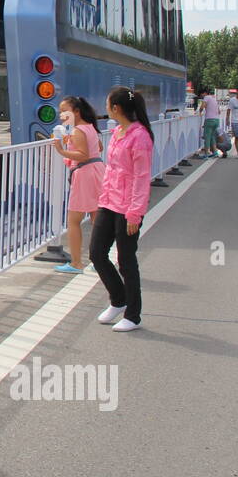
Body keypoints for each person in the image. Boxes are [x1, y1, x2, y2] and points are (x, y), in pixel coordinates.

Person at [89, 86, 154, 332]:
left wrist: (135, 213)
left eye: (107, 104)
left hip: (128, 208)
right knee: (96, 254)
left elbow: (141, 176)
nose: (105, 107)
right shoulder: (117, 132)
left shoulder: (140, 137)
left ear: (115, 108)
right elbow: (113, 169)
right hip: (108, 202)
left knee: (126, 261)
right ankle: (118, 300)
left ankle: (133, 315)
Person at [50, 95, 104, 274]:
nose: (62, 115)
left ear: (76, 112)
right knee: (97, 219)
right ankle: (99, 260)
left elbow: (82, 155)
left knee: (73, 221)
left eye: (65, 111)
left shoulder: (76, 131)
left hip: (84, 174)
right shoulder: (89, 127)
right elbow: (99, 148)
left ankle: (75, 263)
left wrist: (61, 150)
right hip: (98, 171)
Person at [195, 88, 220, 158]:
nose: (201, 97)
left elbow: (202, 106)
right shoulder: (213, 98)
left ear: (204, 93)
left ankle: (206, 154)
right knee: (212, 137)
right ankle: (215, 152)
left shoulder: (206, 98)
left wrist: (199, 112)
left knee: (207, 137)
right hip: (216, 120)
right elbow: (219, 111)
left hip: (209, 120)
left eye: (201, 95)